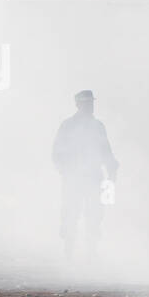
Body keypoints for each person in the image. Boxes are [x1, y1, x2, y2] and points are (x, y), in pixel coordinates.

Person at [52, 90, 118, 260]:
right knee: (70, 214)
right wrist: (65, 170)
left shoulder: (98, 127)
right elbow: (57, 152)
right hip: (73, 179)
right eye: (87, 103)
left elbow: (106, 151)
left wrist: (112, 171)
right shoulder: (67, 126)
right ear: (78, 105)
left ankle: (91, 252)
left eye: (91, 103)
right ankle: (69, 253)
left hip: (94, 178)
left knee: (94, 216)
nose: (90, 106)